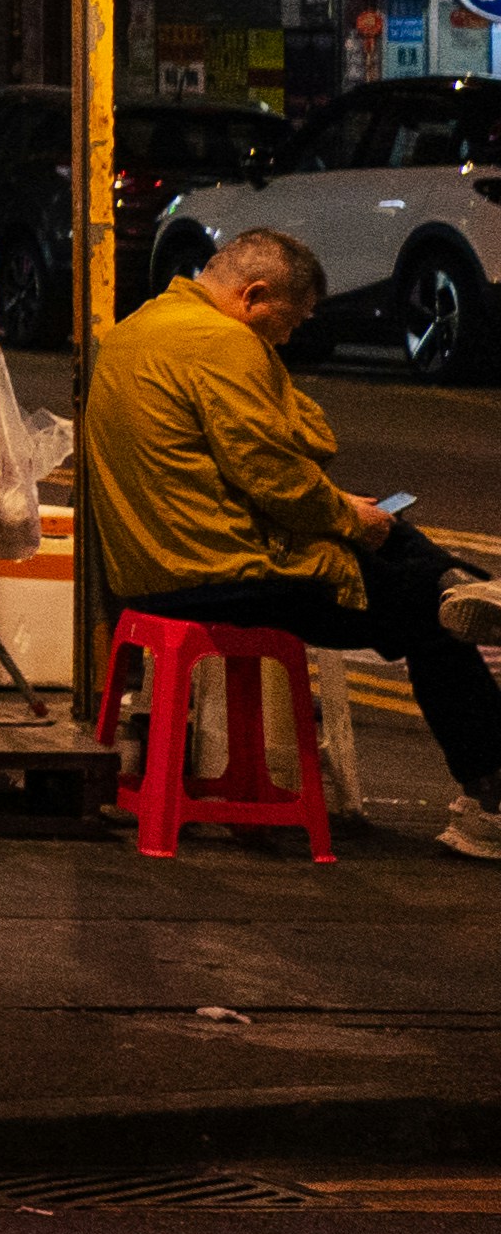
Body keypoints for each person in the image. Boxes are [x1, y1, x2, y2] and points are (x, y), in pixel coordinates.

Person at [81, 227, 501, 854]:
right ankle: (490, 804)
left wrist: (343, 511)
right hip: (225, 575)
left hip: (156, 570)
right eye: (290, 320)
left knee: (389, 544)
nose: (289, 336)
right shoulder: (224, 343)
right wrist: (348, 518)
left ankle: (458, 583)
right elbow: (279, 470)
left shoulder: (137, 329)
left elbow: (268, 457)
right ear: (253, 296)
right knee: (432, 619)